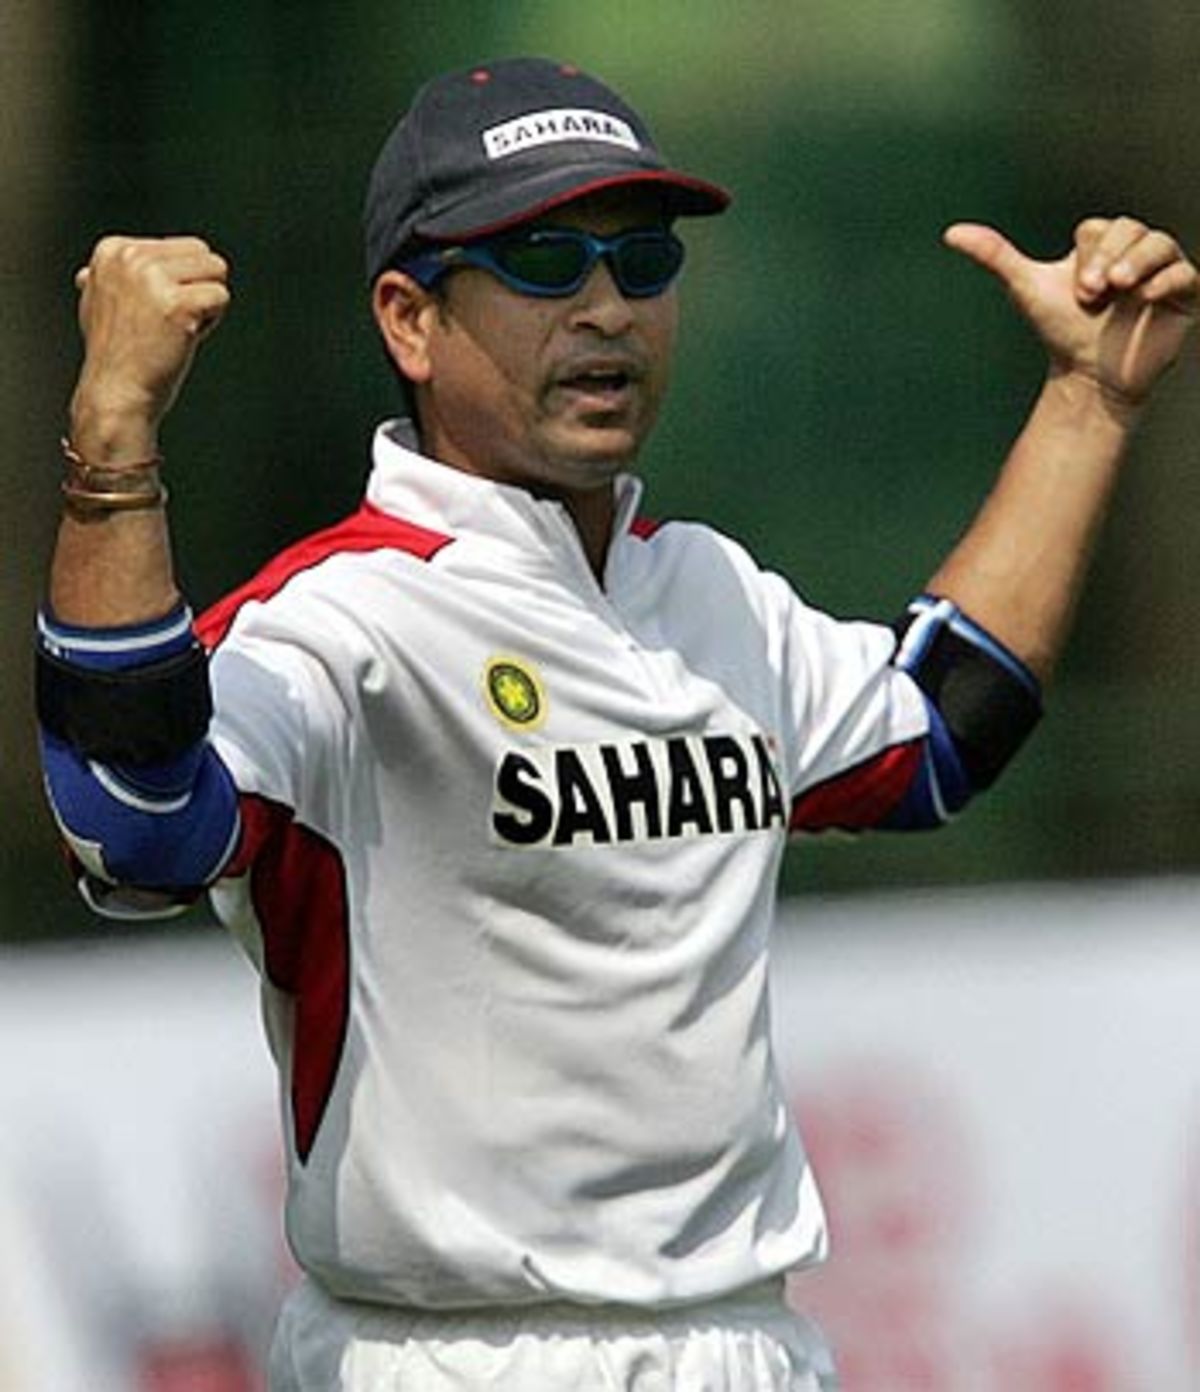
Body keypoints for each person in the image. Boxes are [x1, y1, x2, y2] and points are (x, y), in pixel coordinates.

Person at [36, 54, 1196, 1392]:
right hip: (453, 1354)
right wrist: (113, 444)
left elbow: (939, 730)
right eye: (542, 262)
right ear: (410, 320)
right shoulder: (343, 623)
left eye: (642, 262)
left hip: (747, 1343)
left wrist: (1089, 403)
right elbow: (131, 826)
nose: (606, 309)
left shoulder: (704, 590)